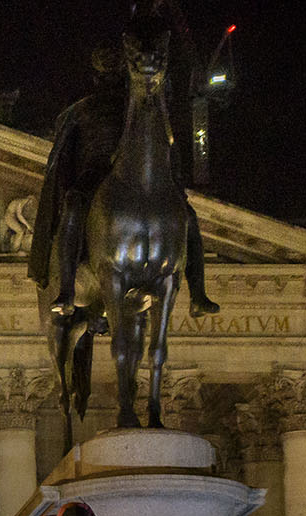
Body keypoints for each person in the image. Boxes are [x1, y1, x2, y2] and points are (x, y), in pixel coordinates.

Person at [28, 37, 220, 321]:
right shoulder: (80, 111)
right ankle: (67, 288)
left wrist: (175, 185)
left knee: (187, 215)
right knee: (72, 205)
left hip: (132, 175)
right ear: (97, 78)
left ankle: (198, 292)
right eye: (107, 75)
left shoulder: (137, 110)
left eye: (115, 74)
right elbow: (61, 158)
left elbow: (165, 145)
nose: (111, 80)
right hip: (92, 178)